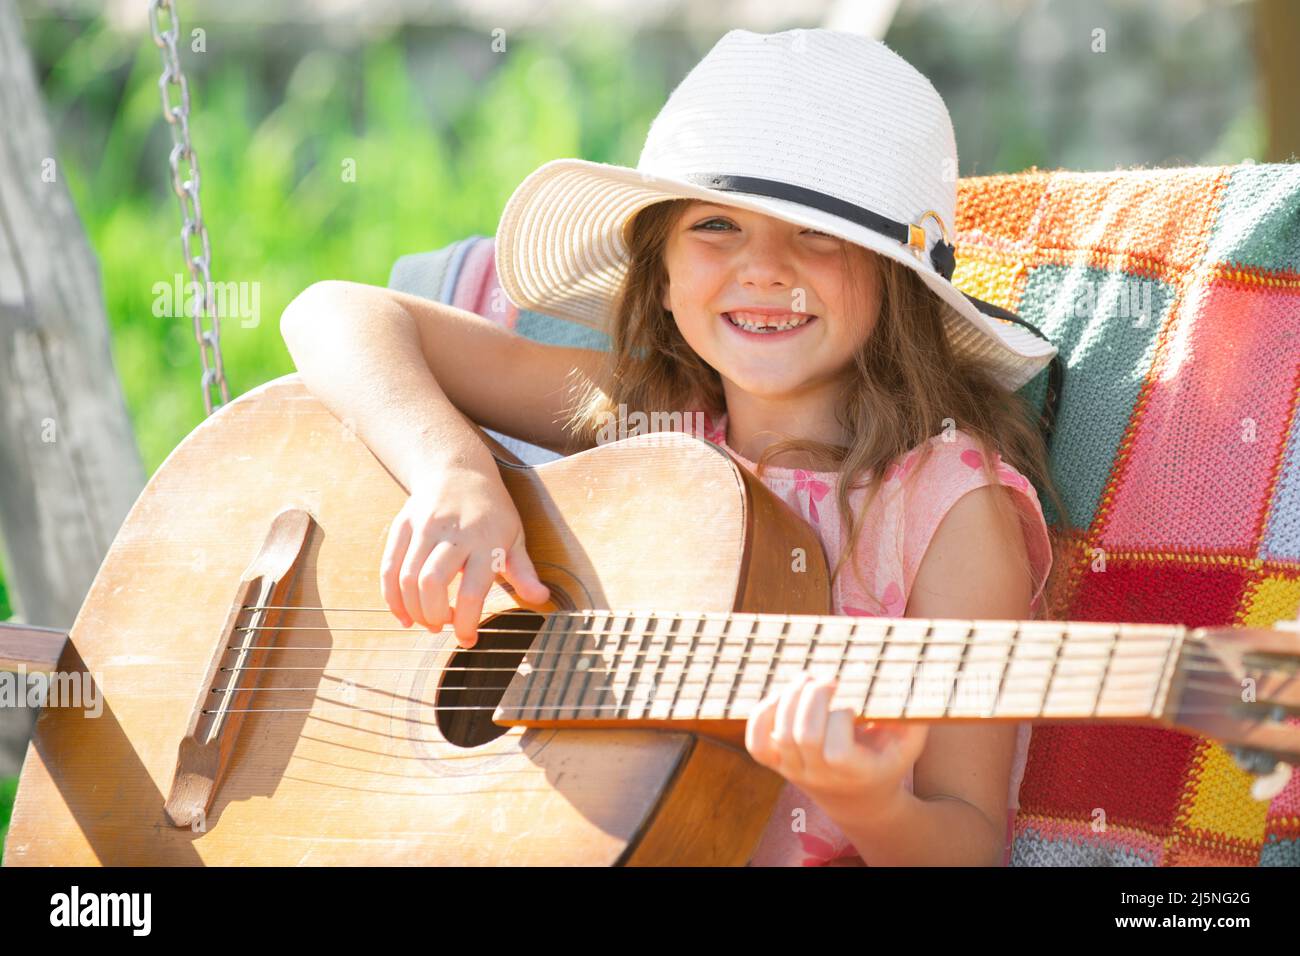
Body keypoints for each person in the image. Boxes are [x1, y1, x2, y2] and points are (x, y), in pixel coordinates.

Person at [281, 28, 1067, 866]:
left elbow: (969, 846)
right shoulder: (645, 416)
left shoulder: (950, 509)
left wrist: (867, 801)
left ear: (896, 280)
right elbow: (333, 313)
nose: (763, 269)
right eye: (717, 225)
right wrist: (453, 471)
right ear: (659, 272)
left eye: (817, 234)